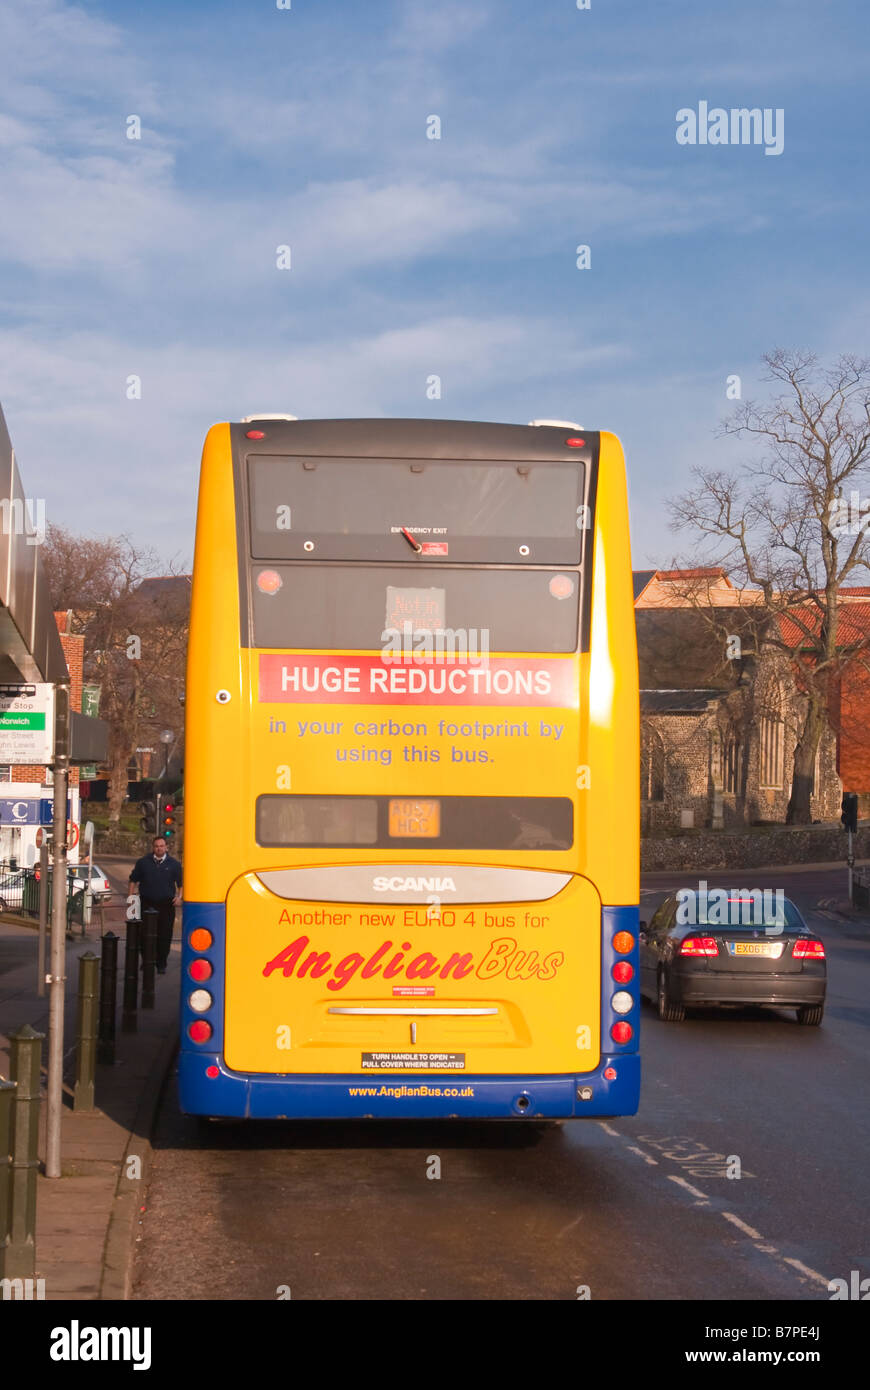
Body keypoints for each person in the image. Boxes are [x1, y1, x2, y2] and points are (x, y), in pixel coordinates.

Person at [128, 836, 182, 974]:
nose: (159, 848)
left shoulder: (174, 864)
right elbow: (133, 880)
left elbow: (181, 884)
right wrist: (131, 896)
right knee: (144, 935)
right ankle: (147, 961)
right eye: (157, 846)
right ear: (153, 848)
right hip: (146, 903)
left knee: (164, 936)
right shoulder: (143, 862)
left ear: (166, 847)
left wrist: (179, 897)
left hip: (166, 905)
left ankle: (161, 963)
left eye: (162, 846)